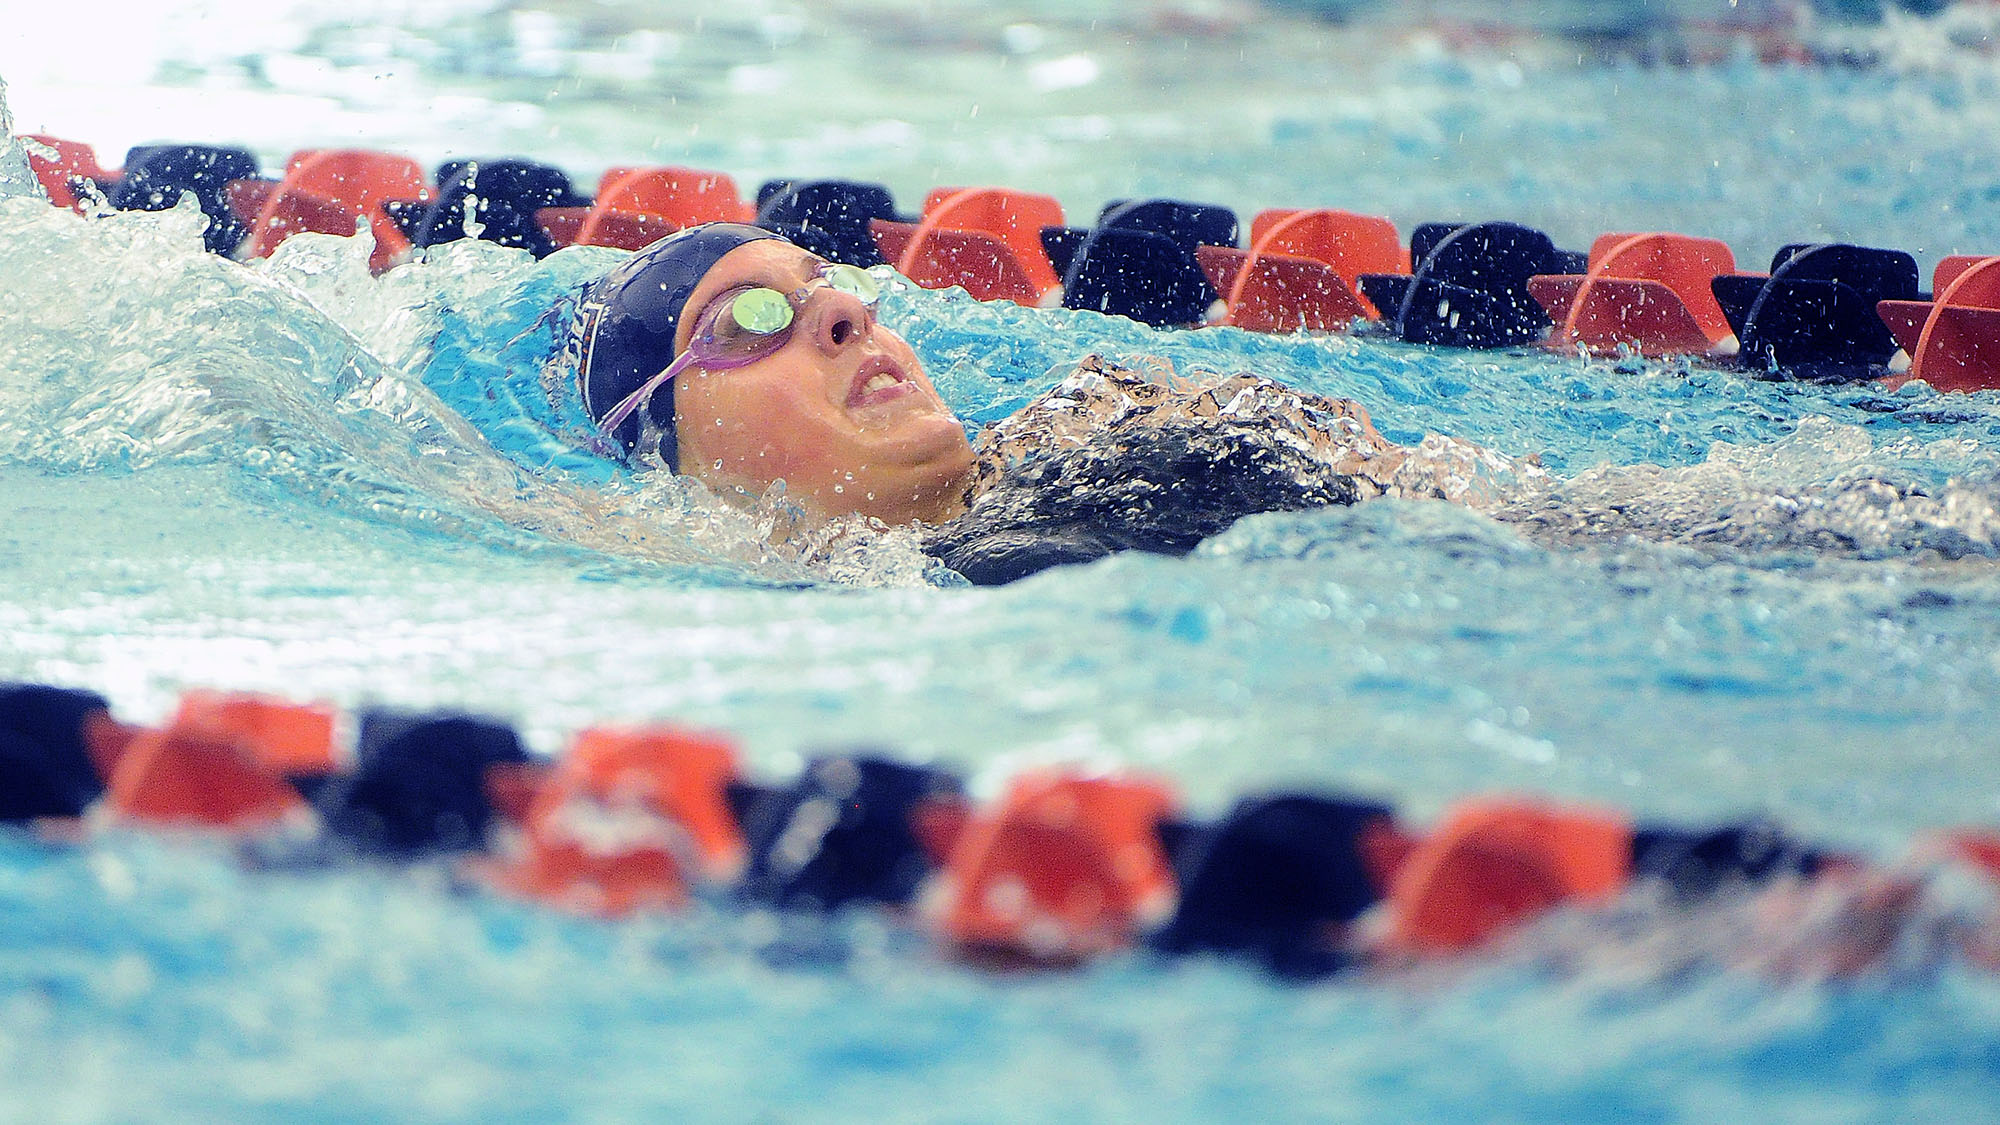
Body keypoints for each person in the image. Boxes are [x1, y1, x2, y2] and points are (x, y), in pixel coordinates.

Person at [568, 223, 1529, 583]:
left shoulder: (1079, 418)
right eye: (752, 317)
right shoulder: (895, 594)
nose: (844, 312)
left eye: (826, 284)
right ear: (674, 454)